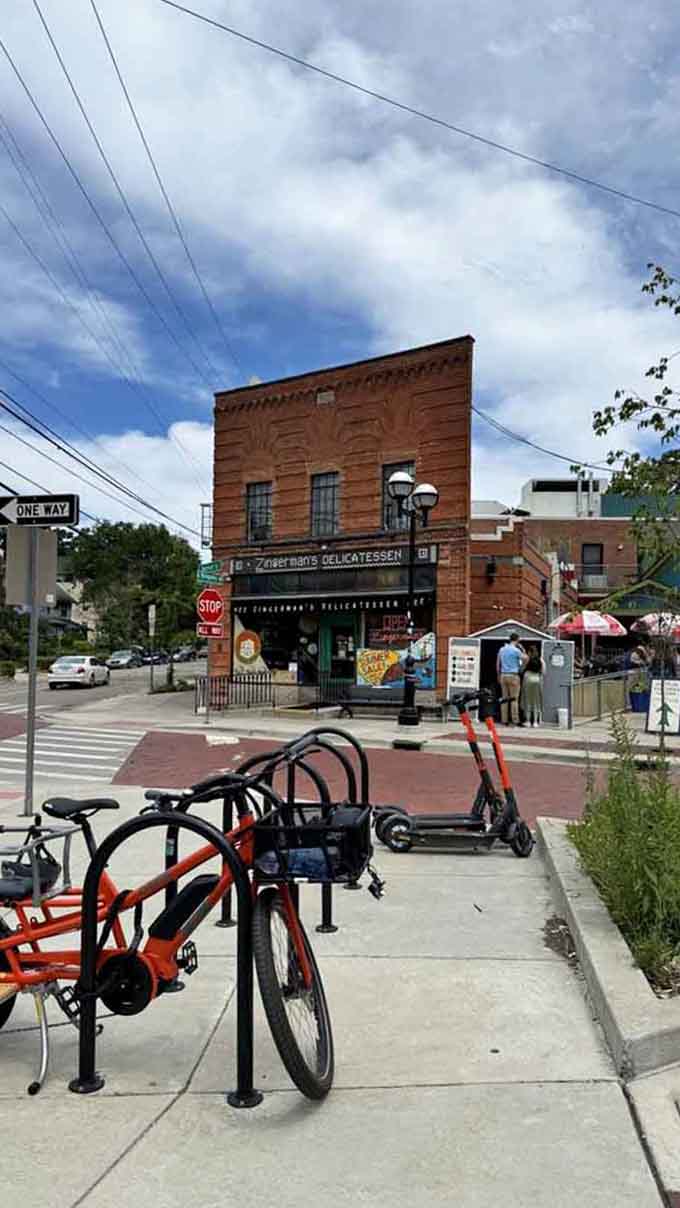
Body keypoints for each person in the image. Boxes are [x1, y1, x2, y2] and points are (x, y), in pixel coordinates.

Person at [496, 633, 527, 725]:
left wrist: (498, 675)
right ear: (517, 640)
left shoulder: (502, 649)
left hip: (503, 675)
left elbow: (498, 664)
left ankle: (504, 720)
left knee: (504, 698)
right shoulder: (516, 650)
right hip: (513, 675)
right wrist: (523, 650)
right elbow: (525, 658)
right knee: (514, 699)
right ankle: (515, 720)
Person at [522, 645, 546, 727]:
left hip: (528, 678)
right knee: (537, 702)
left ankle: (528, 721)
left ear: (529, 652)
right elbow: (544, 672)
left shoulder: (527, 659)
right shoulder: (541, 660)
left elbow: (522, 669)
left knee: (527, 701)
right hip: (537, 679)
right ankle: (535, 722)